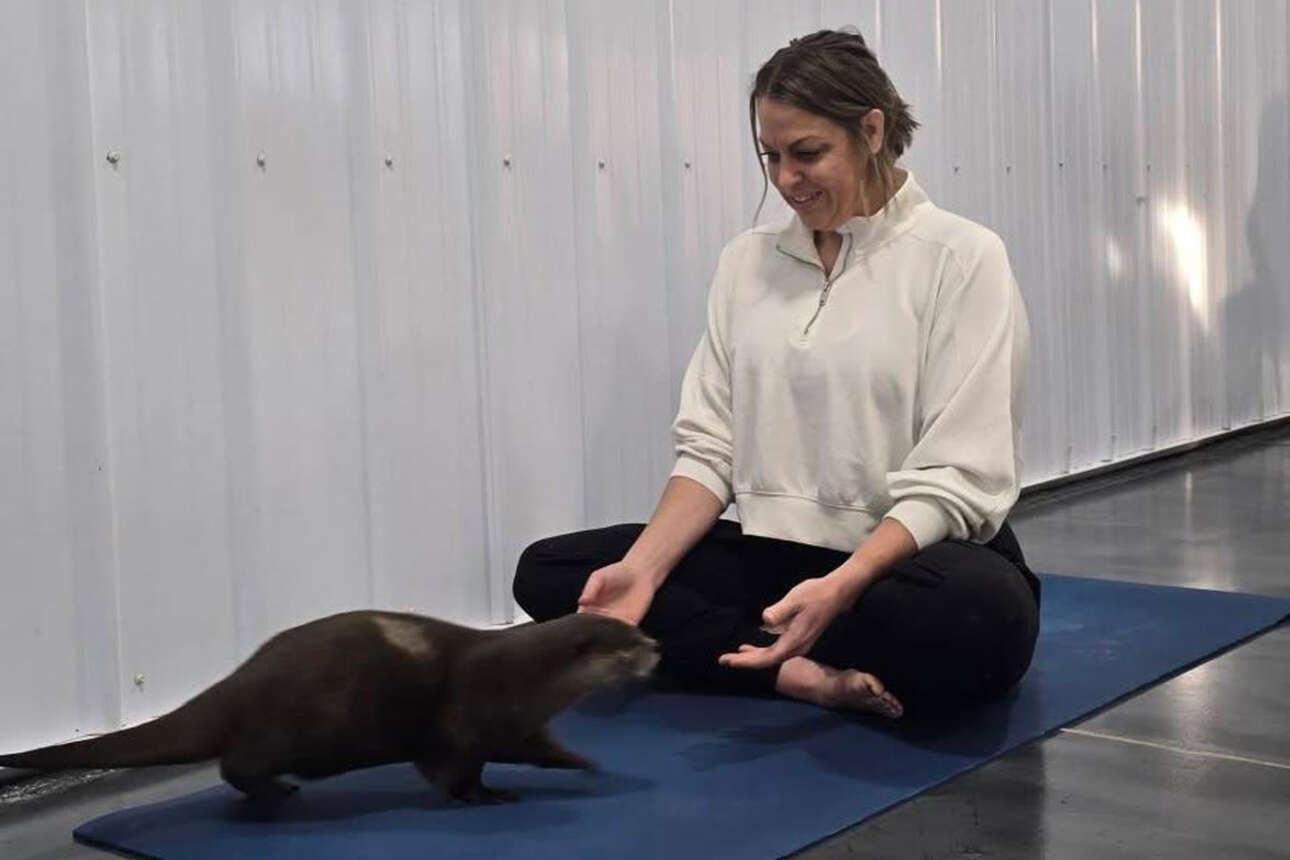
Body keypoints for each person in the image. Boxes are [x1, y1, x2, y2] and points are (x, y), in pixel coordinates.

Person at [513, 28, 1039, 719]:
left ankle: (756, 645)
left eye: (808, 153)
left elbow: (958, 478)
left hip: (902, 565)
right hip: (777, 559)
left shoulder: (962, 257)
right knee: (551, 573)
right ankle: (793, 673)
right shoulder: (747, 262)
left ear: (872, 130)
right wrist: (640, 572)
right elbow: (710, 449)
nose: (786, 178)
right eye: (771, 156)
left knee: (973, 615)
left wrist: (844, 584)